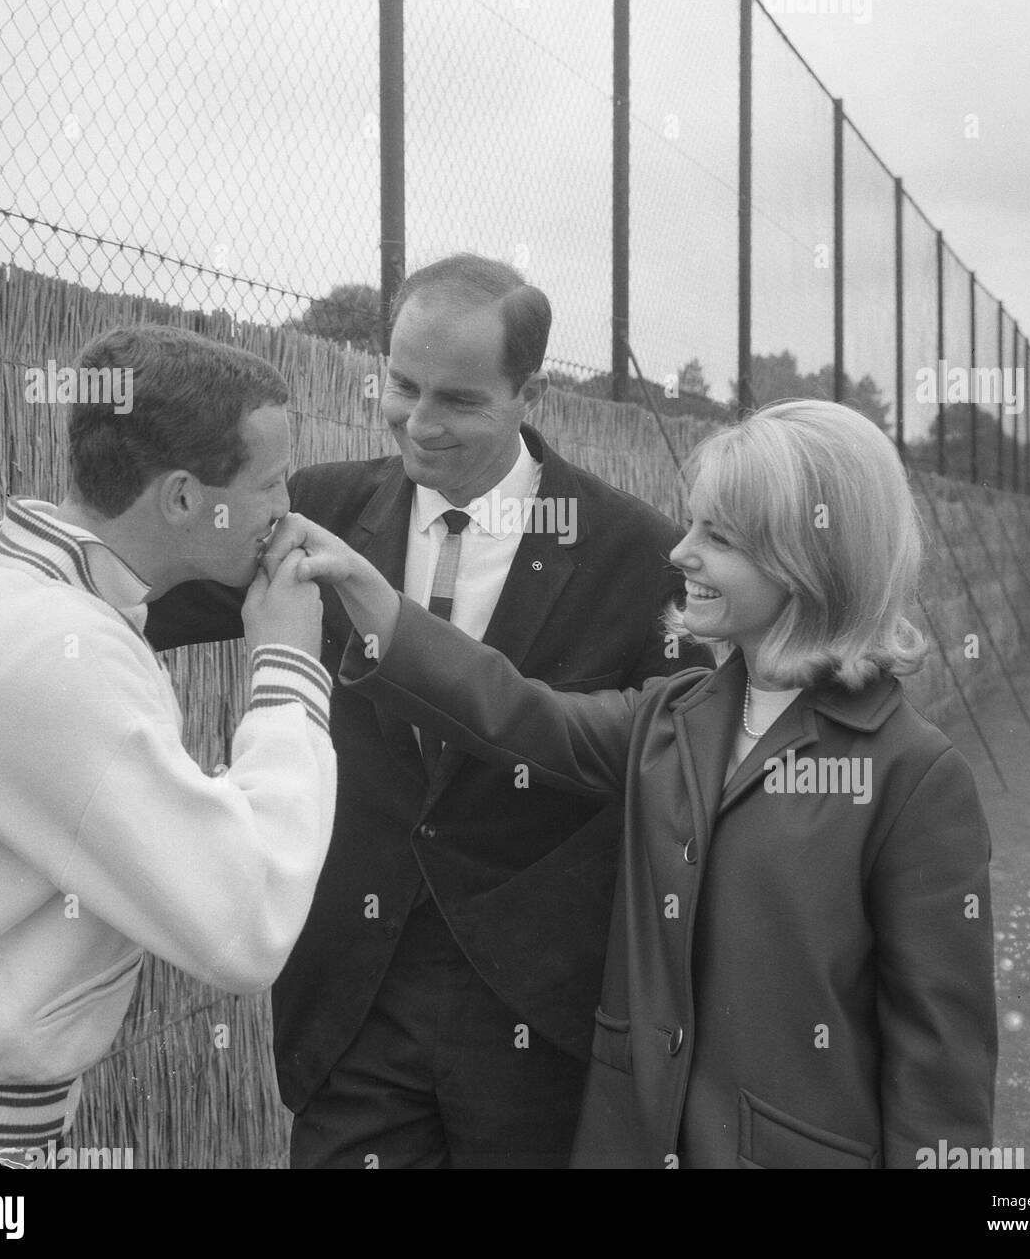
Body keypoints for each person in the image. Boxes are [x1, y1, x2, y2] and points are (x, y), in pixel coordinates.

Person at [272, 397, 999, 1168]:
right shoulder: (671, 717)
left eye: (716, 537)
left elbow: (941, 1065)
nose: (680, 552)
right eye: (691, 524)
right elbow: (512, 713)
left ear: (807, 560)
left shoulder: (911, 778)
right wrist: (368, 593)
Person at [145, 253, 709, 1168]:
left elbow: (663, 766)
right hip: (352, 1006)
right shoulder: (315, 510)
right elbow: (138, 592)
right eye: (403, 385)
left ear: (530, 394)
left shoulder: (637, 555)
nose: (421, 422)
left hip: (536, 1020)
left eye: (460, 400)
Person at [0, 324, 335, 1169]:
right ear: (185, 497)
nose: (285, 510)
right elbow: (244, 925)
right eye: (270, 483)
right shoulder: (62, 656)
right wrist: (287, 671)